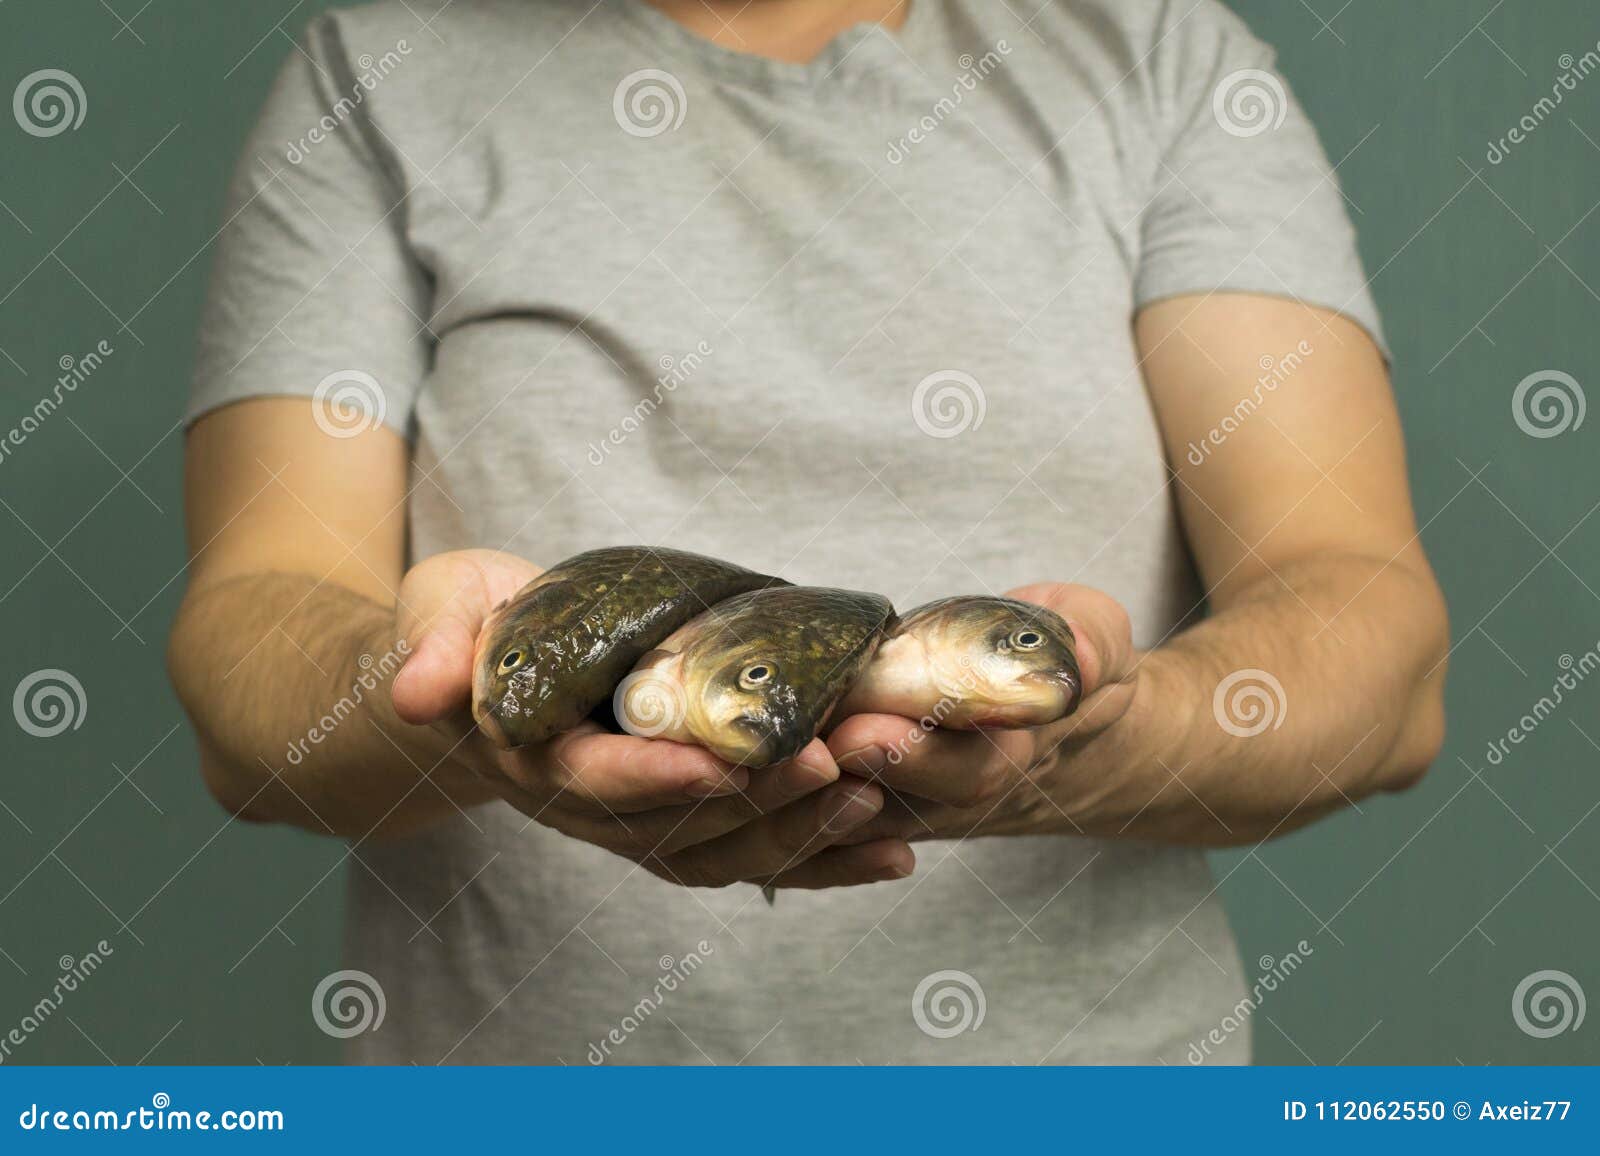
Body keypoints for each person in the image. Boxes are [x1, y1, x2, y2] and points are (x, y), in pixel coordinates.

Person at [168, 0, 1448, 1064]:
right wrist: (467, 698)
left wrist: (1097, 742)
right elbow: (254, 652)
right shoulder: (378, 64)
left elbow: (1373, 647)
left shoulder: (1159, 52)